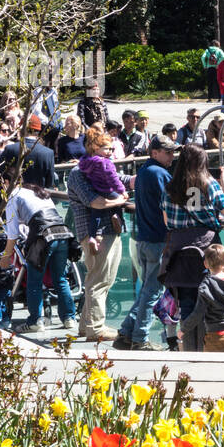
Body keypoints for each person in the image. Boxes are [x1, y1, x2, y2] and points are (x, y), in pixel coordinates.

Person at [161, 143, 224, 352]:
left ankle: (189, 350)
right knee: (209, 301)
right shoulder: (208, 183)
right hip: (206, 247)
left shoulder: (170, 187)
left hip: (179, 251)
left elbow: (166, 221)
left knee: (187, 303)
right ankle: (207, 349)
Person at [66, 133, 131, 343]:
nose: (111, 152)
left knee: (95, 278)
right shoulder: (78, 173)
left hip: (105, 231)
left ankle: (86, 325)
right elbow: (94, 202)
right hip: (97, 233)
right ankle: (96, 328)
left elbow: (121, 179)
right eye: (107, 148)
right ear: (93, 147)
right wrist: (120, 200)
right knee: (100, 280)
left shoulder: (98, 166)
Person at [114, 134, 177, 351]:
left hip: (143, 238)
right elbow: (170, 205)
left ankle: (125, 332)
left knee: (147, 291)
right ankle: (140, 338)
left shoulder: (143, 172)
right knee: (152, 293)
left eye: (172, 152)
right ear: (155, 152)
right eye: (167, 152)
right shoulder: (160, 174)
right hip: (158, 240)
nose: (171, 156)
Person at [0, 169, 77, 334]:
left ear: (6, 182)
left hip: (42, 236)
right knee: (60, 279)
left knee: (34, 280)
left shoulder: (13, 195)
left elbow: (12, 233)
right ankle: (69, 318)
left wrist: (6, 256)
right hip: (62, 232)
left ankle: (35, 321)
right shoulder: (35, 190)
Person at [178, 243, 224, 354]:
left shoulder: (206, 286)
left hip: (215, 335)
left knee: (211, 367)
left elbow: (198, 313)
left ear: (205, 264)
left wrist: (183, 329)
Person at [77, 126, 128, 252]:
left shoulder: (87, 162)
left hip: (96, 189)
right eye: (107, 149)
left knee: (96, 216)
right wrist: (122, 191)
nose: (110, 152)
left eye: (112, 149)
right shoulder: (106, 163)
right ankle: (117, 217)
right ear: (96, 148)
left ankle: (92, 238)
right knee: (120, 202)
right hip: (108, 190)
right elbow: (114, 179)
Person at [0, 114, 56, 191]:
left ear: (22, 129)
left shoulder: (10, 149)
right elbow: (49, 182)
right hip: (38, 197)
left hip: (14, 196)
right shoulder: (48, 153)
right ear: (38, 131)